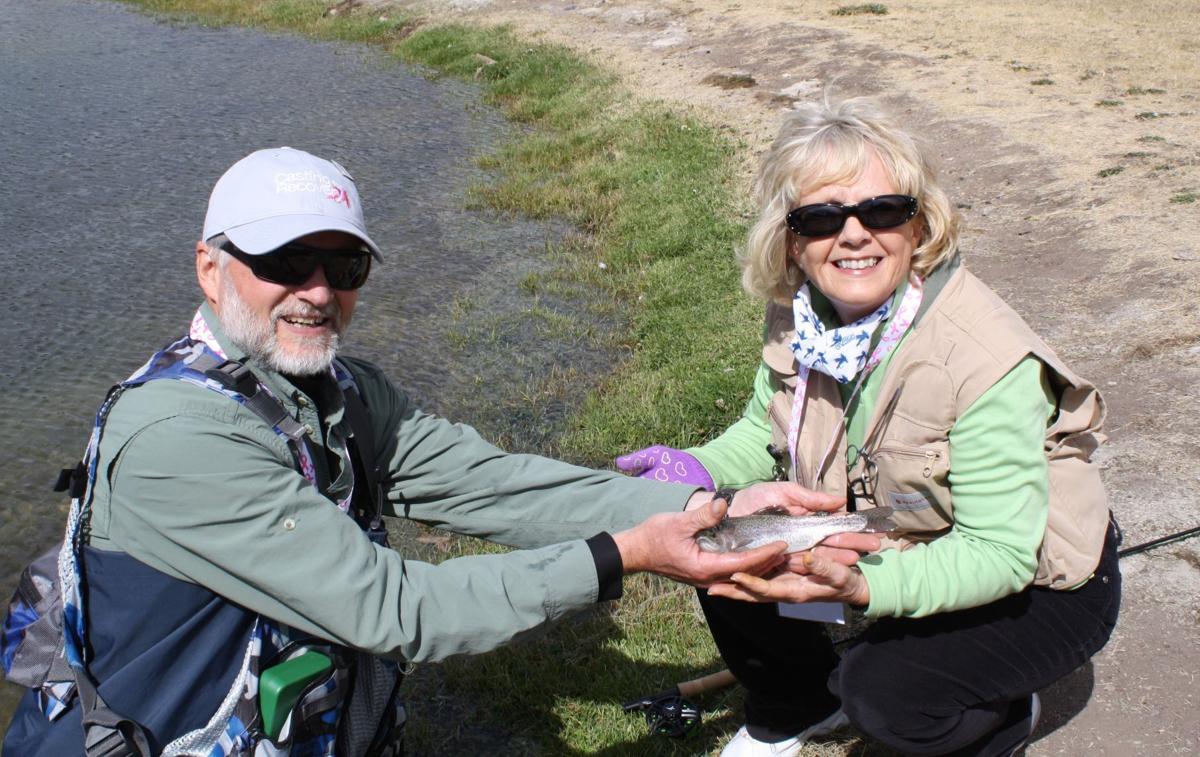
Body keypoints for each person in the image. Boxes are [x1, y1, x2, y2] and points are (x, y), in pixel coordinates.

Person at [0, 146, 860, 756]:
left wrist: (704, 514)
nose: (318, 292)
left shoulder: (338, 389)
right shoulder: (178, 439)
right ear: (209, 267)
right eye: (285, 261)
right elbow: (397, 608)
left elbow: (490, 485)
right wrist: (623, 555)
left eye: (344, 266)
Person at [617, 97, 1121, 756]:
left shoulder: (984, 359)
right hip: (897, 533)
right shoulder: (806, 314)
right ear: (792, 239)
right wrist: (697, 470)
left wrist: (866, 587)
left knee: (884, 692)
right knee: (714, 543)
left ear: (919, 225)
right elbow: (759, 430)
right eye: (822, 217)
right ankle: (796, 702)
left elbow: (1000, 553)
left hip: (1039, 579)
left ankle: (998, 715)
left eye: (882, 210)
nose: (853, 234)